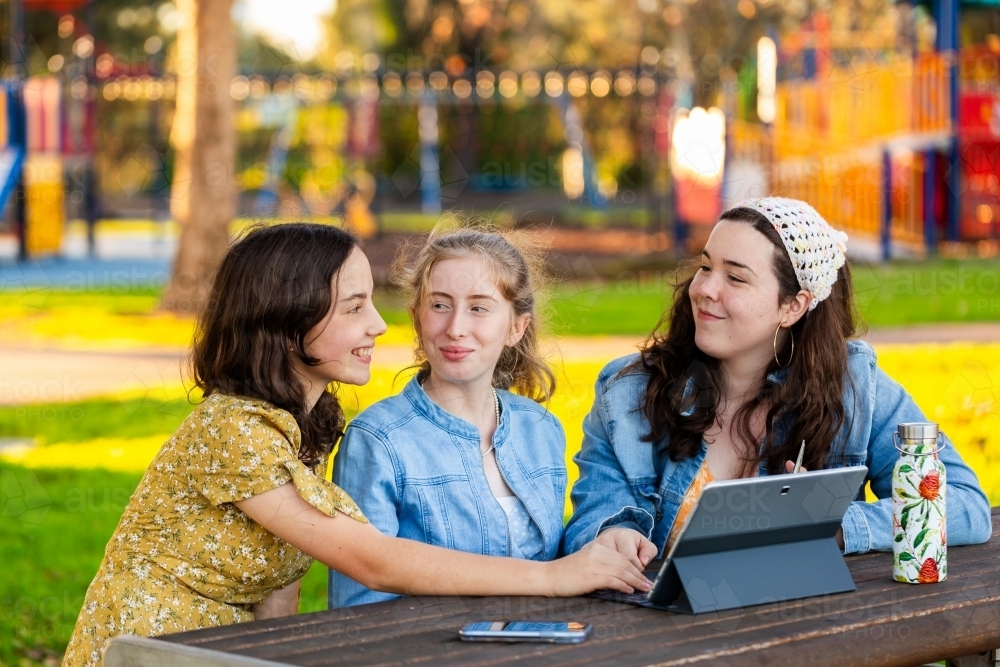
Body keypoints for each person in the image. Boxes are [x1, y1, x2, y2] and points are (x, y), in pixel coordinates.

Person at [62, 224, 650, 667]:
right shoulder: (232, 430)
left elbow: (279, 583)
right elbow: (371, 560)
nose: (380, 325)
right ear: (288, 321)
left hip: (222, 653)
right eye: (353, 307)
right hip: (152, 651)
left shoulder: (307, 422)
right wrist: (555, 577)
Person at [561, 197, 992, 567]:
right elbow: (590, 521)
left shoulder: (856, 387)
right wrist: (609, 536)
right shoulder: (628, 392)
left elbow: (964, 506)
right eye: (705, 266)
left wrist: (832, 527)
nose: (705, 289)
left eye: (735, 277)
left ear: (793, 305)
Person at [329, 227, 568, 608]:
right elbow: (357, 606)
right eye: (440, 305)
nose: (455, 328)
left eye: (478, 307)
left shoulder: (541, 429)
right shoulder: (377, 441)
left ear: (516, 327)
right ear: (417, 319)